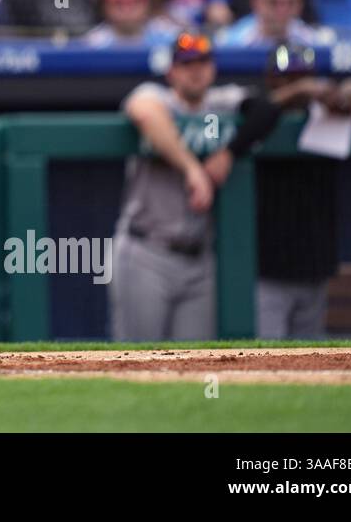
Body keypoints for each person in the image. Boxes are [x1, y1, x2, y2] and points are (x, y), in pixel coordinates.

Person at [110, 32, 300, 341]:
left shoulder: (222, 101)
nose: (195, 70)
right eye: (186, 63)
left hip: (200, 258)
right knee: (136, 360)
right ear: (171, 71)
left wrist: (227, 155)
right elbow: (144, 112)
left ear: (212, 68)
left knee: (196, 364)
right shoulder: (157, 96)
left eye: (202, 62)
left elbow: (266, 110)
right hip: (147, 251)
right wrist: (192, 170)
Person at [253, 45, 351, 338]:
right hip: (266, 272)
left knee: (308, 363)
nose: (295, 86)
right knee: (264, 363)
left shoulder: (327, 117)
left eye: (301, 77)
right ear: (270, 79)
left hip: (313, 270)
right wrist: (300, 90)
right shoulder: (258, 114)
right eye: (286, 78)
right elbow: (256, 112)